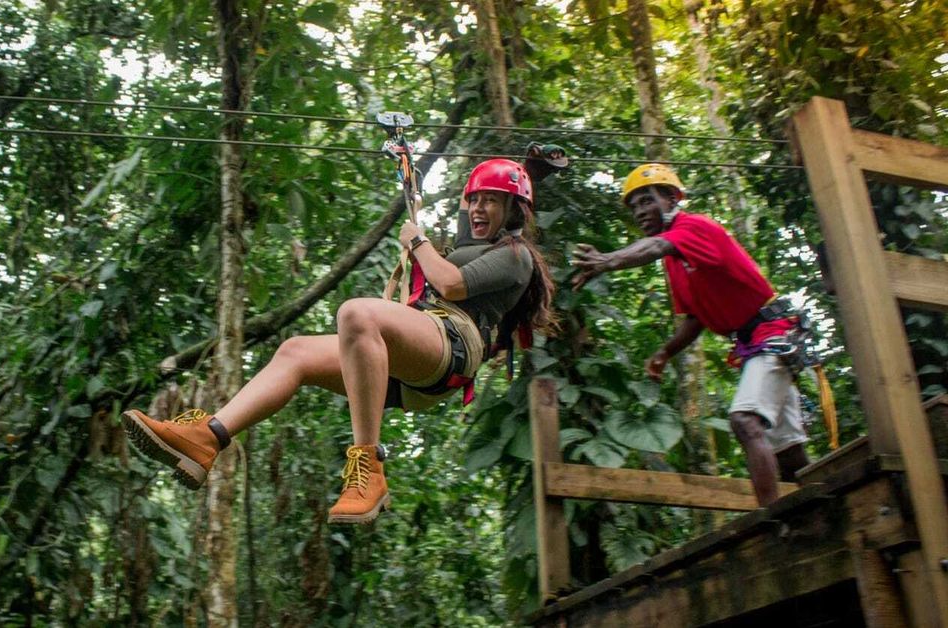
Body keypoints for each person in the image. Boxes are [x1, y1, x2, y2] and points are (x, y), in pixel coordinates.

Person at [122, 159, 558, 524]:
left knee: (357, 312)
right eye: (475, 199)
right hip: (415, 347)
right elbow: (475, 208)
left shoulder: (517, 257)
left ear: (514, 211)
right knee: (295, 352)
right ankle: (208, 437)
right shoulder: (476, 238)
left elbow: (451, 281)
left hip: (454, 342)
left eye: (492, 202)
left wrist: (418, 241)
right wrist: (411, 159)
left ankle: (367, 467)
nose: (479, 209)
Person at [571, 163, 809, 506]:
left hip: (772, 334)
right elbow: (695, 318)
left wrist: (608, 260)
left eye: (647, 200)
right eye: (634, 206)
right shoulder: (675, 258)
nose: (640, 211)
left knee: (744, 421)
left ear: (670, 198)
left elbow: (652, 247)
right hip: (754, 345)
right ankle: (816, 504)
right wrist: (665, 353)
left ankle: (773, 519)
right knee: (786, 448)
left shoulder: (693, 227)